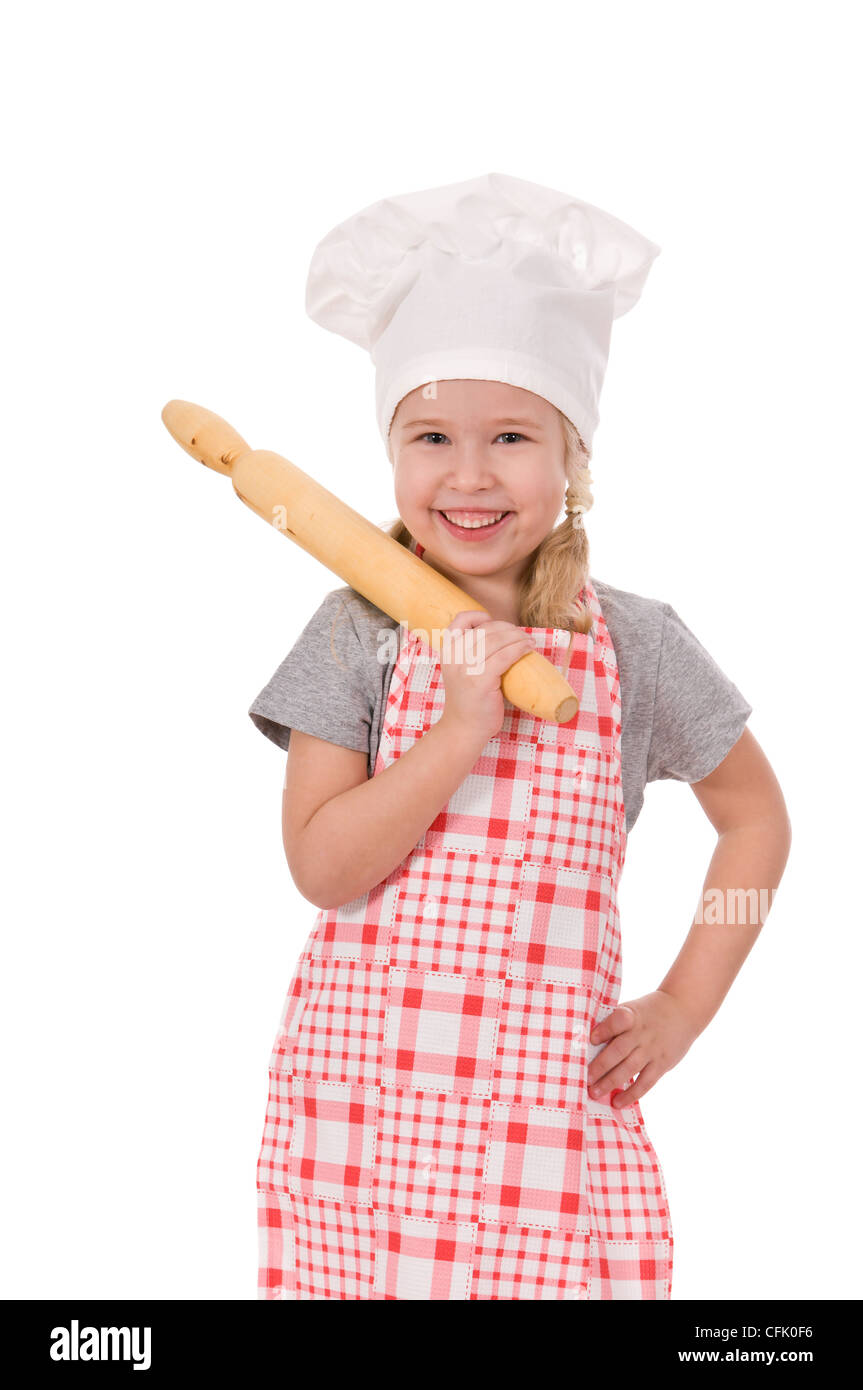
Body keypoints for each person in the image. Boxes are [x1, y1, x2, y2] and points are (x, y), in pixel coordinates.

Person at [248, 174, 792, 1300]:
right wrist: (455, 735)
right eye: (430, 436)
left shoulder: (636, 647)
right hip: (360, 1126)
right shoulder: (355, 631)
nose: (468, 474)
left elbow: (752, 820)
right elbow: (322, 866)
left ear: (571, 461)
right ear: (390, 454)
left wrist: (686, 1001)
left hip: (544, 1129)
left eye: (511, 436)